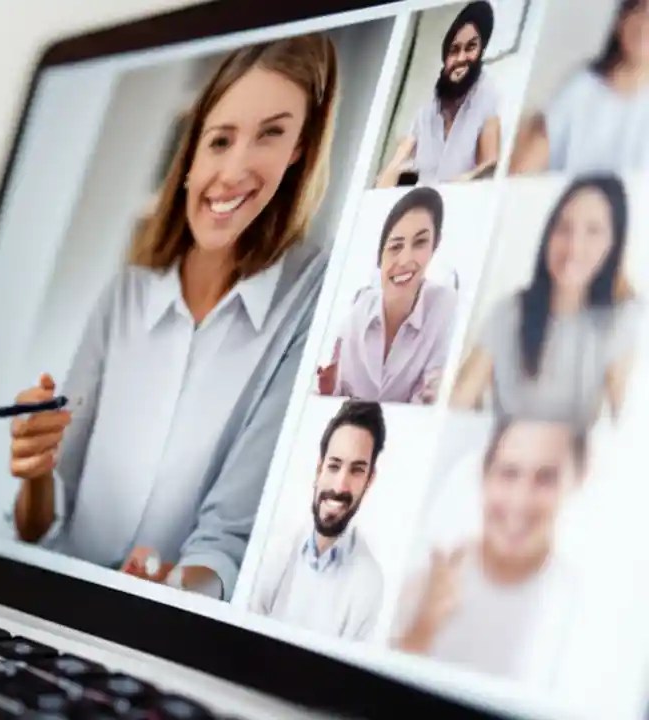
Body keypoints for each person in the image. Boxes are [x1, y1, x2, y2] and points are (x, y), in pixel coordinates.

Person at [5, 34, 340, 601]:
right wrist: (36, 471)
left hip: (166, 634)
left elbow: (228, 540)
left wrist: (172, 584)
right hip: (54, 604)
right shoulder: (125, 295)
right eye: (220, 140)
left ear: (300, 151)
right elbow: (39, 526)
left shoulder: (309, 299)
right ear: (190, 158)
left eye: (271, 134)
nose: (232, 171)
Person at [392, 418, 588, 684]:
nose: (520, 501)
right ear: (485, 476)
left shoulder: (578, 610)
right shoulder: (422, 588)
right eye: (509, 473)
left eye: (546, 478)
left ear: (575, 481)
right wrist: (423, 628)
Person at [451, 174, 640, 426]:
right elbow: (459, 399)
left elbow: (628, 421)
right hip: (502, 457)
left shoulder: (619, 320)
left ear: (613, 244)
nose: (574, 246)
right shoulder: (510, 311)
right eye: (564, 228)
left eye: (593, 231)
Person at [249, 401, 386, 641]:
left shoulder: (369, 582)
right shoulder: (273, 547)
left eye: (356, 470)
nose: (340, 486)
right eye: (334, 466)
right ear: (319, 469)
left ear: (369, 481)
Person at [317, 188, 456, 404]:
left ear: (434, 246)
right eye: (395, 247)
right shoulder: (358, 310)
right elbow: (334, 386)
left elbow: (433, 390)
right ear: (380, 257)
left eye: (420, 243)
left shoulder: (445, 305)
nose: (405, 259)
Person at [511, 0, 649, 175]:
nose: (645, 25)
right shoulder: (581, 87)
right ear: (620, 19)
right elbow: (526, 166)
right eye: (639, 12)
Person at [376, 2, 501, 187]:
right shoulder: (426, 109)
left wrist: (458, 183)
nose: (460, 59)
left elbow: (490, 167)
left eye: (470, 47)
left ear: (481, 51)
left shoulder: (487, 97)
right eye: (454, 50)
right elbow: (394, 165)